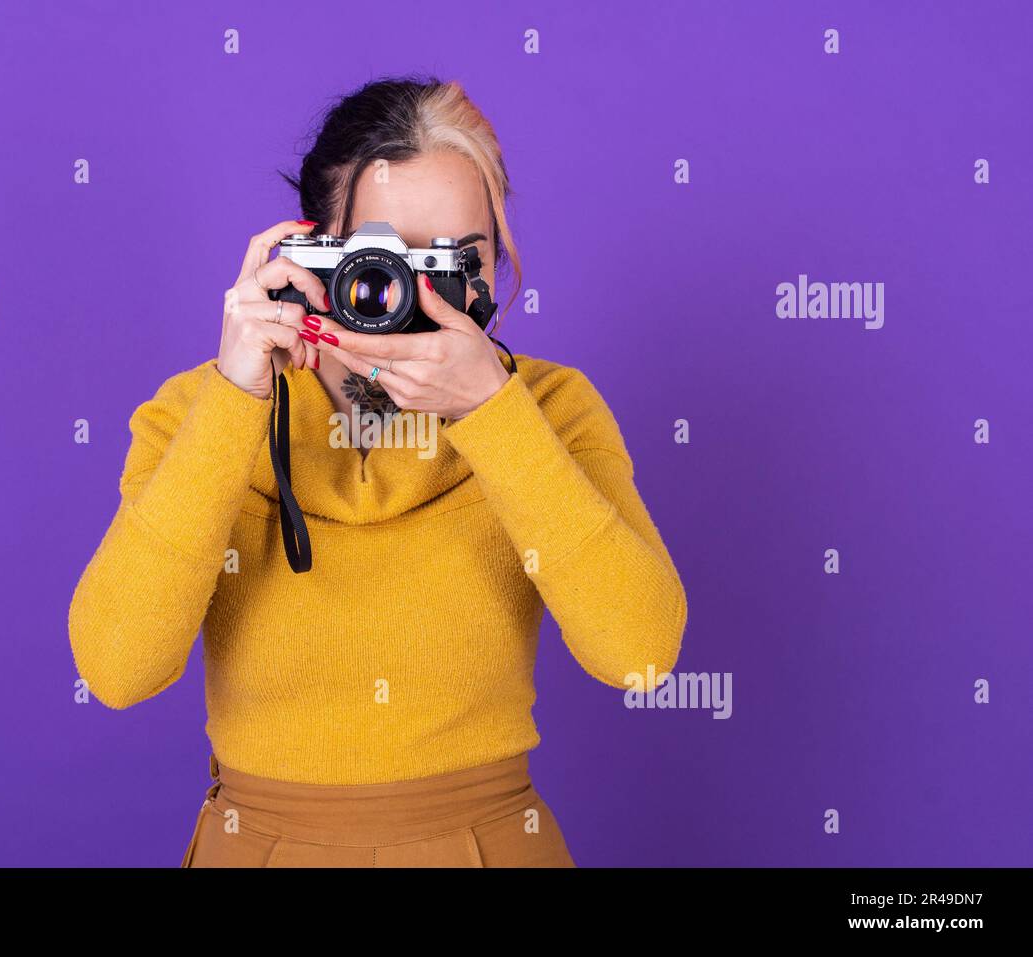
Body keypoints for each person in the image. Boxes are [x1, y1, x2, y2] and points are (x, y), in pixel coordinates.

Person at [68, 75, 688, 867]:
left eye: (460, 258)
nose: (424, 294)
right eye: (387, 259)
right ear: (308, 250)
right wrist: (235, 398)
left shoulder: (547, 407)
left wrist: (494, 415)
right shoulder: (200, 409)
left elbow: (640, 652)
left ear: (499, 261)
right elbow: (118, 667)